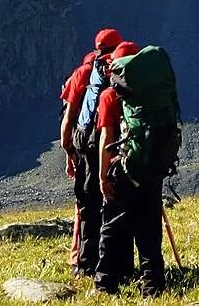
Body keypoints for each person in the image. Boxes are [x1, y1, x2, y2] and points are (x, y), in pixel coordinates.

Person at [96, 41, 166, 297]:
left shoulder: (109, 96)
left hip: (123, 169)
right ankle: (153, 286)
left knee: (113, 226)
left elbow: (106, 138)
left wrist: (103, 176)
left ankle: (105, 285)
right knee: (149, 228)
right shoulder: (154, 91)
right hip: (153, 167)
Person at [59, 27, 123, 277]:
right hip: (115, 145)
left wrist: (69, 150)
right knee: (115, 203)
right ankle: (115, 263)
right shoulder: (123, 68)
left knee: (87, 205)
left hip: (86, 146)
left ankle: (85, 264)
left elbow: (70, 116)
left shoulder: (84, 72)